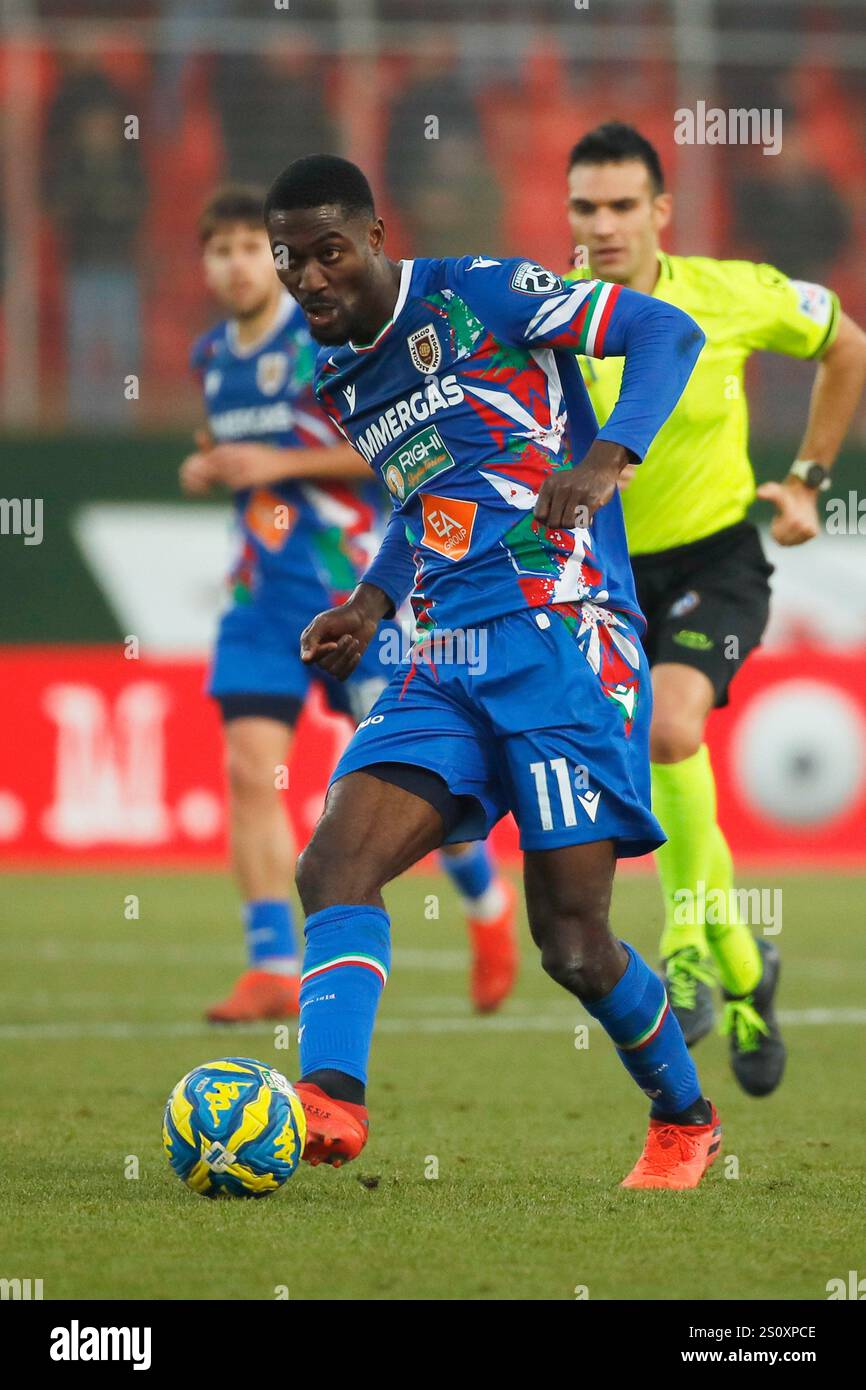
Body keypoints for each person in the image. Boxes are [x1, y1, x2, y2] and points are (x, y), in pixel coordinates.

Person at [264, 153, 719, 1190]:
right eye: (291, 261)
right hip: (447, 654)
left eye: (328, 252)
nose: (310, 279)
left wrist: (612, 454)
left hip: (564, 642)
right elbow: (425, 492)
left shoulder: (484, 292)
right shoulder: (337, 370)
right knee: (332, 864)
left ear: (376, 237)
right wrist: (371, 601)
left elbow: (666, 330)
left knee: (570, 941)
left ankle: (684, 1118)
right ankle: (329, 1100)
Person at [564, 122, 866, 1092]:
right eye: (584, 207)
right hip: (599, 577)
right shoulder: (548, 315)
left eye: (620, 205)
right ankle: (746, 967)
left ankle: (687, 948)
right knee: (655, 763)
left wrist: (806, 480)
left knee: (668, 728)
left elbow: (844, 346)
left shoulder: (730, 295)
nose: (602, 225)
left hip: (713, 560)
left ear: (659, 211)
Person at [182, 185, 515, 1022]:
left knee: (408, 779)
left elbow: (387, 460)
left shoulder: (328, 334)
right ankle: (268, 960)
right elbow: (237, 458)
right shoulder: (210, 357)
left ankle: (486, 904)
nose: (237, 266)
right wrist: (215, 468)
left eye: (253, 250)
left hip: (355, 593)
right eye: (218, 252)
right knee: (247, 769)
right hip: (261, 599)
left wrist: (269, 464)